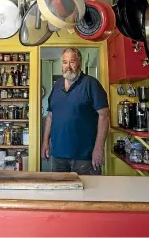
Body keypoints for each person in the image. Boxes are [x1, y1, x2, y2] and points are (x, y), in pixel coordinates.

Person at [41, 47, 110, 175]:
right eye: (65, 62)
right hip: (58, 156)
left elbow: (104, 116)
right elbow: (50, 116)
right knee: (59, 194)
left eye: (72, 61)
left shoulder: (91, 84)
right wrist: (45, 142)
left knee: (89, 193)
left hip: (85, 157)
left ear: (80, 62)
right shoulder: (57, 85)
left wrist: (99, 149)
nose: (68, 66)